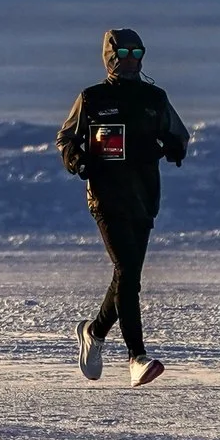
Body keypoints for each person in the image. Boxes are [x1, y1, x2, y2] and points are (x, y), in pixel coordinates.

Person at [56, 26, 188, 386]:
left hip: (144, 197)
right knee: (128, 273)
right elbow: (66, 137)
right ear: (109, 57)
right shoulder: (93, 97)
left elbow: (178, 133)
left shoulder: (154, 98)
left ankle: (94, 333)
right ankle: (137, 357)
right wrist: (75, 159)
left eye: (137, 54)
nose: (130, 62)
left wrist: (175, 148)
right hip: (105, 197)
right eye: (123, 54)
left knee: (127, 278)